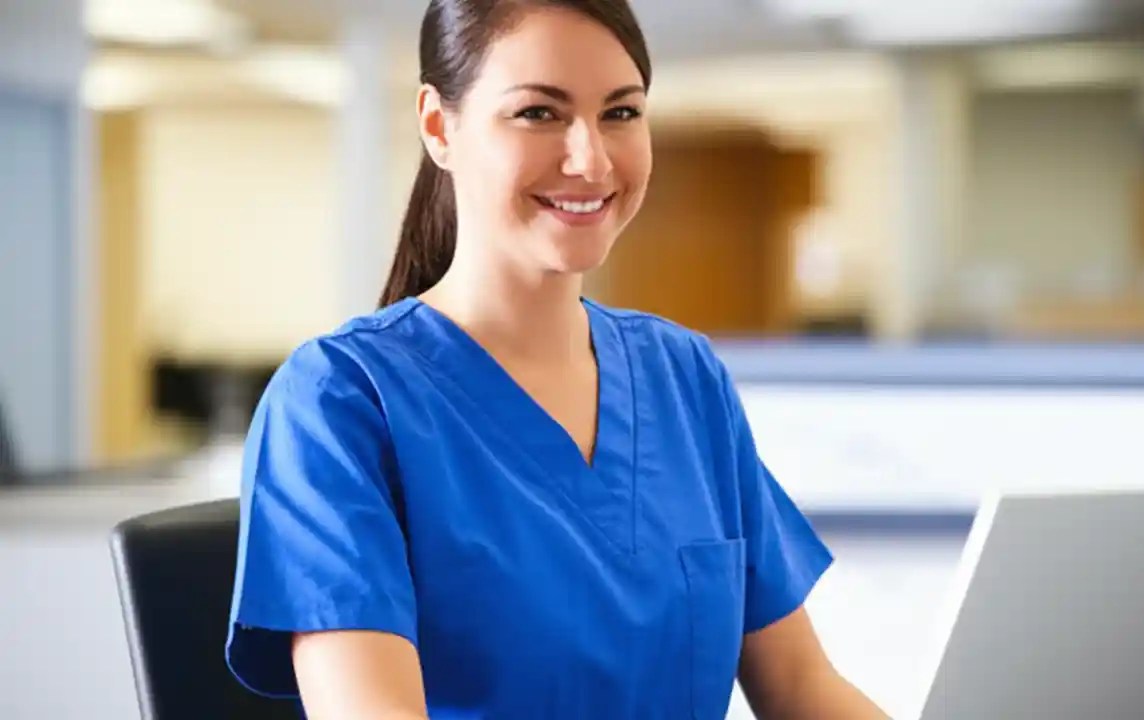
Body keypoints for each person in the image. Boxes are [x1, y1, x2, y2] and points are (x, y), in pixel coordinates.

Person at [225, 1, 890, 718]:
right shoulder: (341, 401)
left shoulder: (684, 379)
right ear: (438, 125)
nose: (591, 159)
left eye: (622, 113)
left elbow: (801, 688)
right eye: (540, 113)